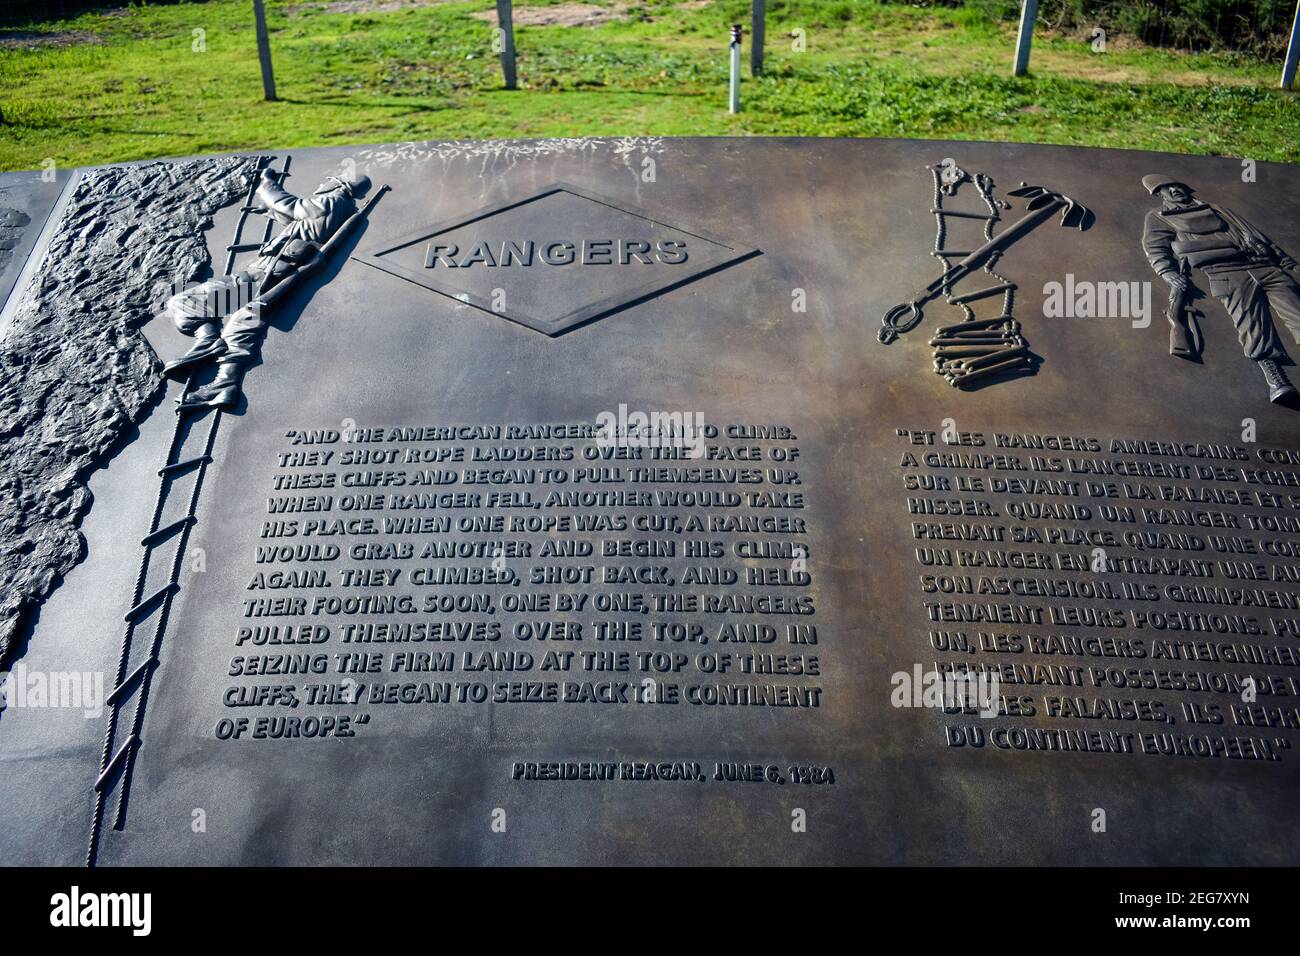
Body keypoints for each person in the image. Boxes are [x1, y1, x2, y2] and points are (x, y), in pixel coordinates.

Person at [164, 167, 370, 409]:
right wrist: (270, 211)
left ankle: (208, 340)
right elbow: (298, 222)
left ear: (337, 185)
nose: (321, 186)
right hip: (283, 270)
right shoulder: (340, 210)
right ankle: (225, 384)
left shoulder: (330, 201)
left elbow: (286, 205)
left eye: (328, 182)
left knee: (186, 301)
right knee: (245, 319)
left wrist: (267, 182)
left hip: (269, 269)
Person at [1141, 174, 1300, 404]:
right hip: (1224, 272)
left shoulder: (1216, 209)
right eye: (1167, 188)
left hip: (1264, 266)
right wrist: (1168, 273)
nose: (1175, 190)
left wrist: (1288, 264)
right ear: (1159, 194)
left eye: (1177, 185)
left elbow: (1259, 238)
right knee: (1251, 324)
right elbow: (1155, 249)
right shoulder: (1158, 217)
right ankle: (1278, 381)